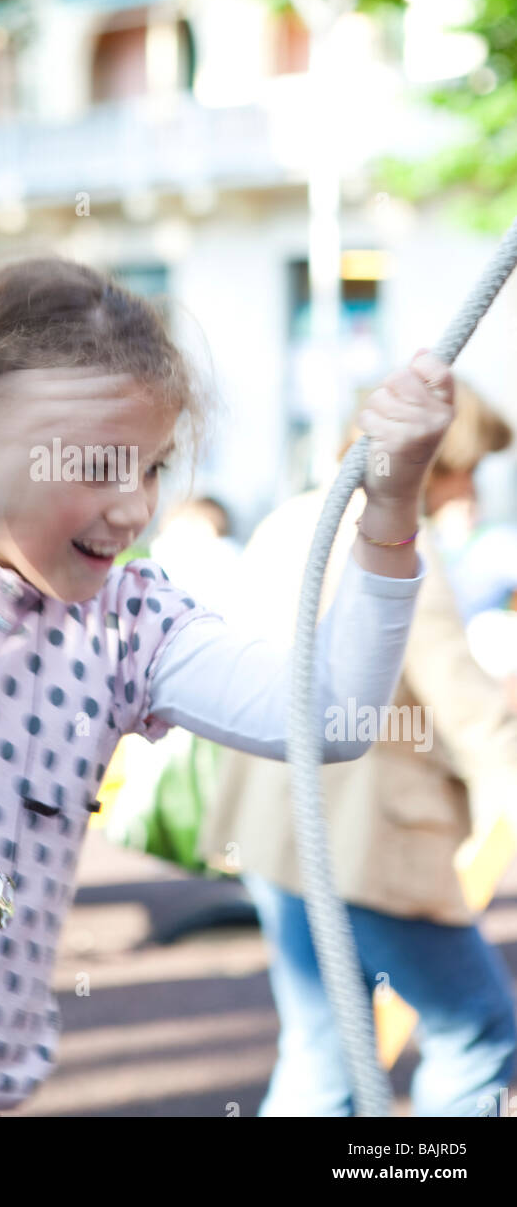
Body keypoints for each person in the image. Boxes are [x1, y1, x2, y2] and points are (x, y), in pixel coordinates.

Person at [0, 254, 452, 1117]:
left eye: (150, 468)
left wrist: (391, 512)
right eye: (97, 466)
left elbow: (335, 715)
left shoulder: (123, 623)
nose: (135, 507)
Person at [200, 378, 517, 1118]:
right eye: (469, 465)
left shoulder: (291, 518)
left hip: (280, 824)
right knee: (476, 1030)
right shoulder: (399, 543)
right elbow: (463, 706)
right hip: (365, 836)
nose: (473, 484)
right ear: (437, 459)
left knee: (324, 1050)